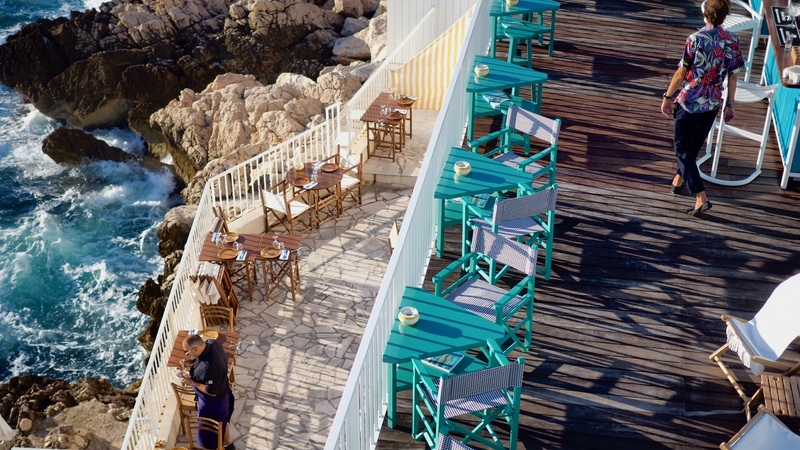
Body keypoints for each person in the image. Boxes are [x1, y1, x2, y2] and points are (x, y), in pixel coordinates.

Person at [660, 0, 744, 216]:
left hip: (689, 101)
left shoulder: (695, 39)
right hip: (713, 101)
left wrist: (668, 97)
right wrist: (730, 104)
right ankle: (679, 178)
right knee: (693, 146)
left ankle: (700, 196)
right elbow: (733, 76)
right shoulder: (733, 40)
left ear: (705, 16)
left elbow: (681, 73)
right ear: (725, 17)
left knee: (682, 149)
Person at [181, 333, 235, 450]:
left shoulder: (209, 367)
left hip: (213, 403)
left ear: (195, 349)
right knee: (222, 422)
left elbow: (211, 391)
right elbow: (201, 359)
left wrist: (191, 381)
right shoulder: (212, 343)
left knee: (210, 436)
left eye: (187, 352)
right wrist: (190, 363)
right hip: (224, 392)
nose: (187, 354)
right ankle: (229, 445)